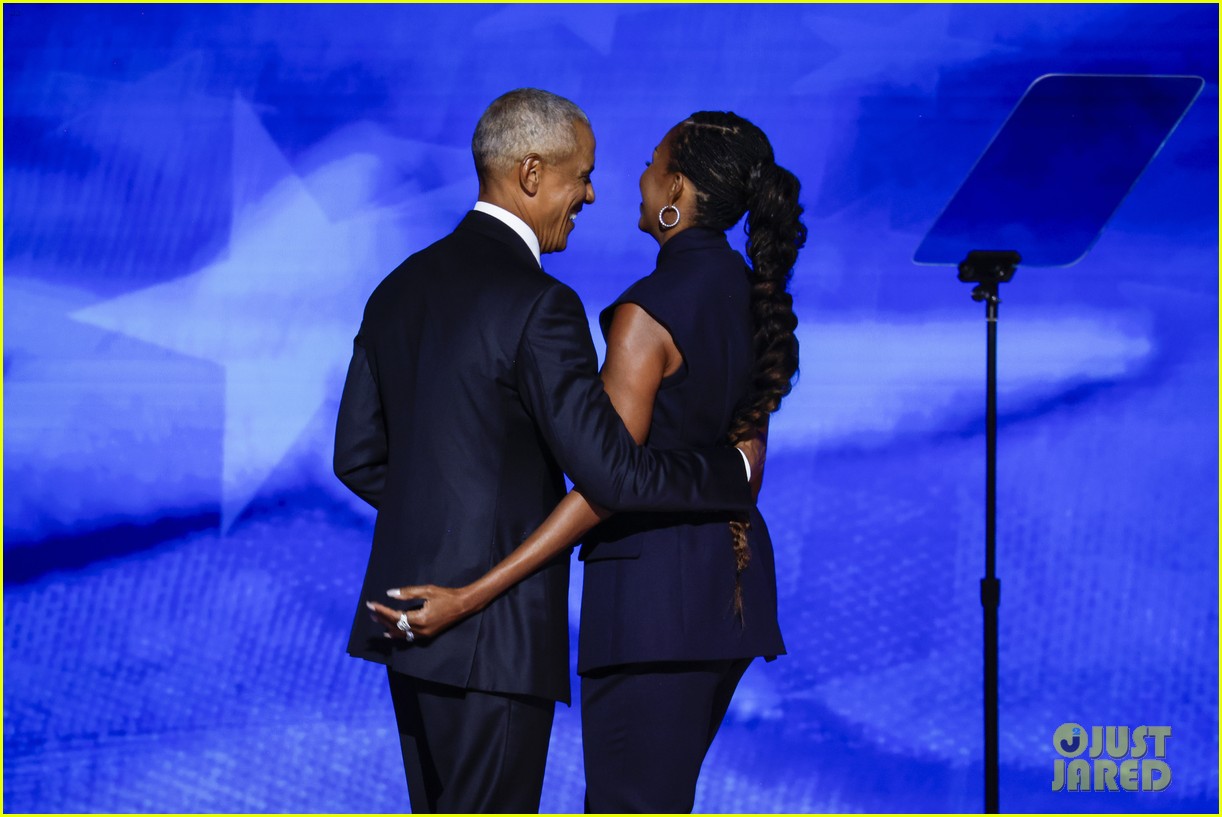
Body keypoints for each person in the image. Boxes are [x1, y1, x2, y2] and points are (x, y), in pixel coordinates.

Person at [333, 90, 761, 814]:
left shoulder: (395, 290)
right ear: (532, 174)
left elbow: (358, 455)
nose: (591, 193)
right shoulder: (541, 304)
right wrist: (732, 469)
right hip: (496, 640)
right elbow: (612, 472)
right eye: (581, 176)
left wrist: (452, 526)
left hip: (408, 626)